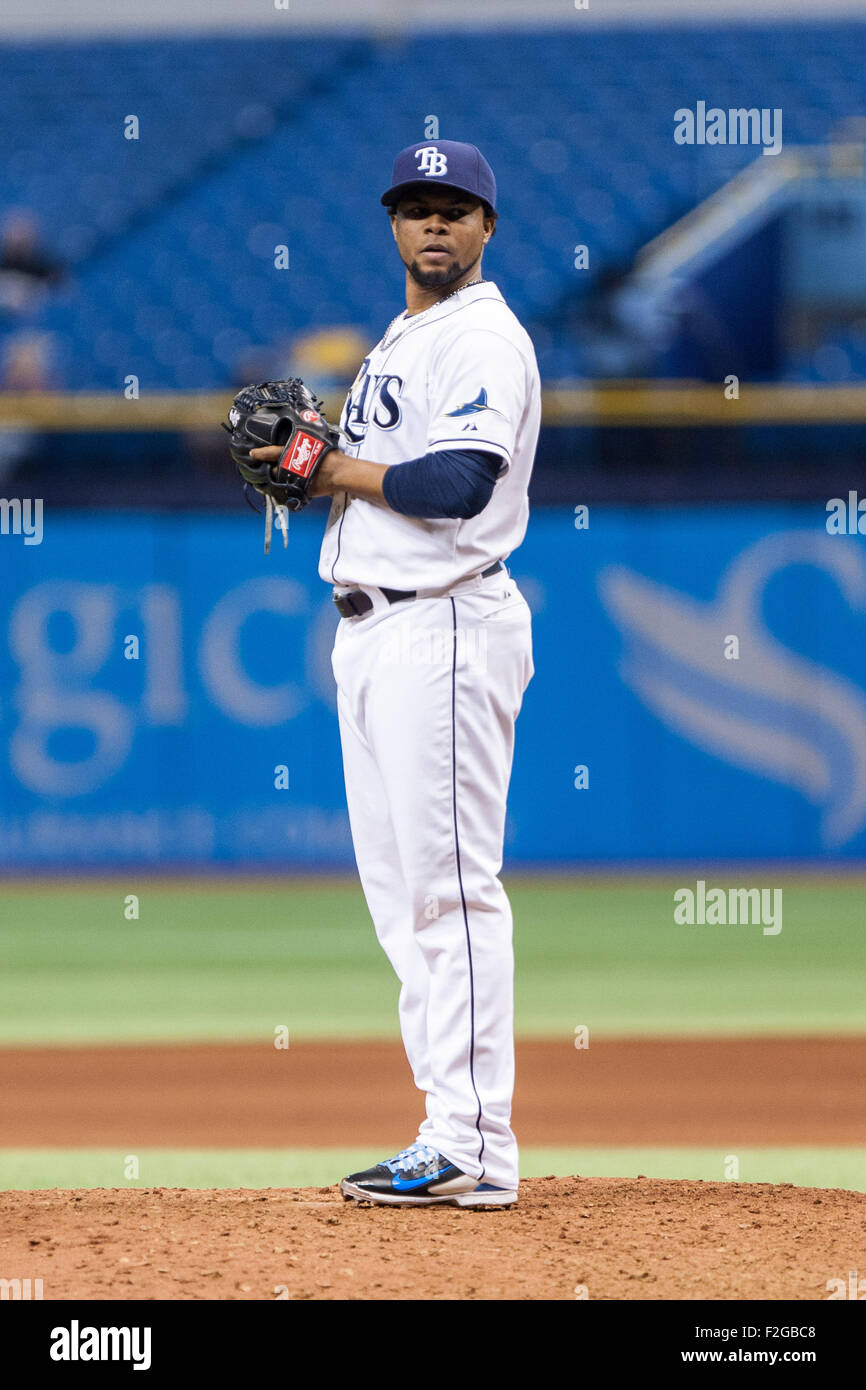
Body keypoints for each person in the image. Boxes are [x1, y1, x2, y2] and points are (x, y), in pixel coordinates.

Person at [252, 140, 540, 1207]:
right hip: (373, 633)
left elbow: (458, 482)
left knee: (450, 894)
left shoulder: (483, 338)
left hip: (443, 625)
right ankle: (444, 1131)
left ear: (486, 228)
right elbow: (382, 473)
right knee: (400, 901)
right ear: (390, 226)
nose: (433, 224)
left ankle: (471, 1146)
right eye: (415, 208)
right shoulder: (405, 337)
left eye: (454, 208)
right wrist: (328, 466)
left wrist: (330, 466)